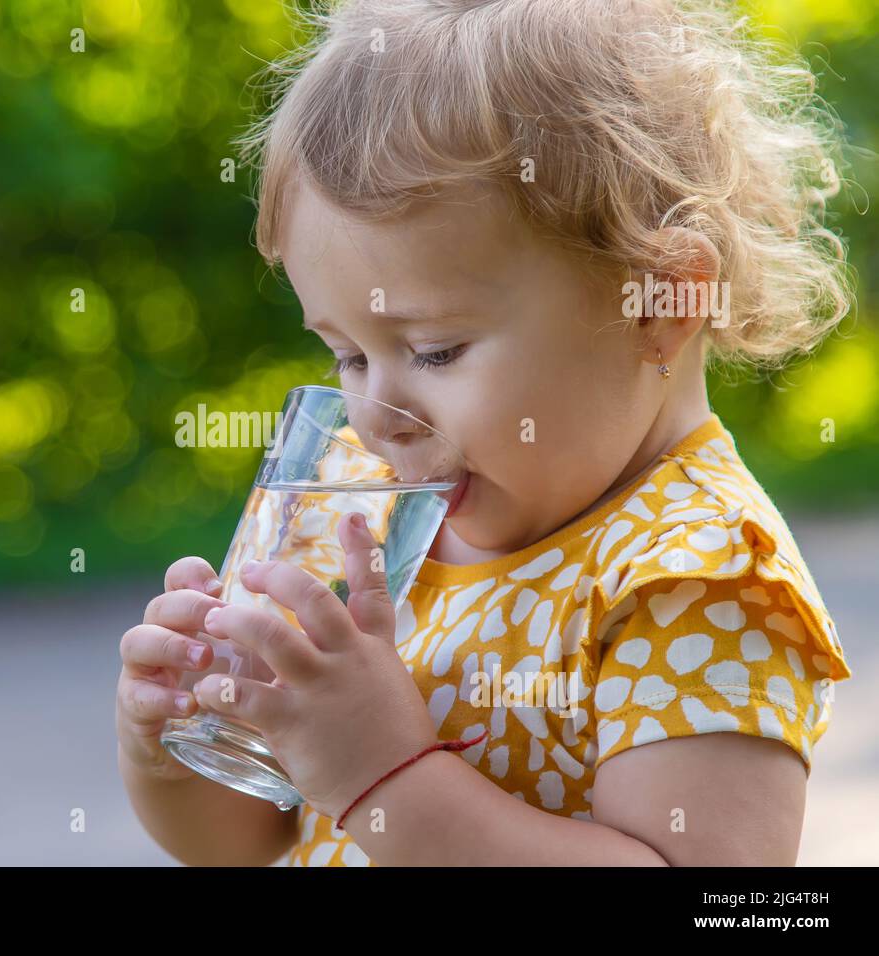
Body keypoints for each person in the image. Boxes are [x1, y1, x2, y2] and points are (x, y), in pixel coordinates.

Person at [116, 0, 853, 866]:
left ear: (662, 302)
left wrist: (385, 777)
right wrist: (164, 744)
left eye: (435, 351)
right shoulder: (365, 520)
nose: (376, 420)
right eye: (347, 357)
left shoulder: (699, 579)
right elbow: (246, 841)